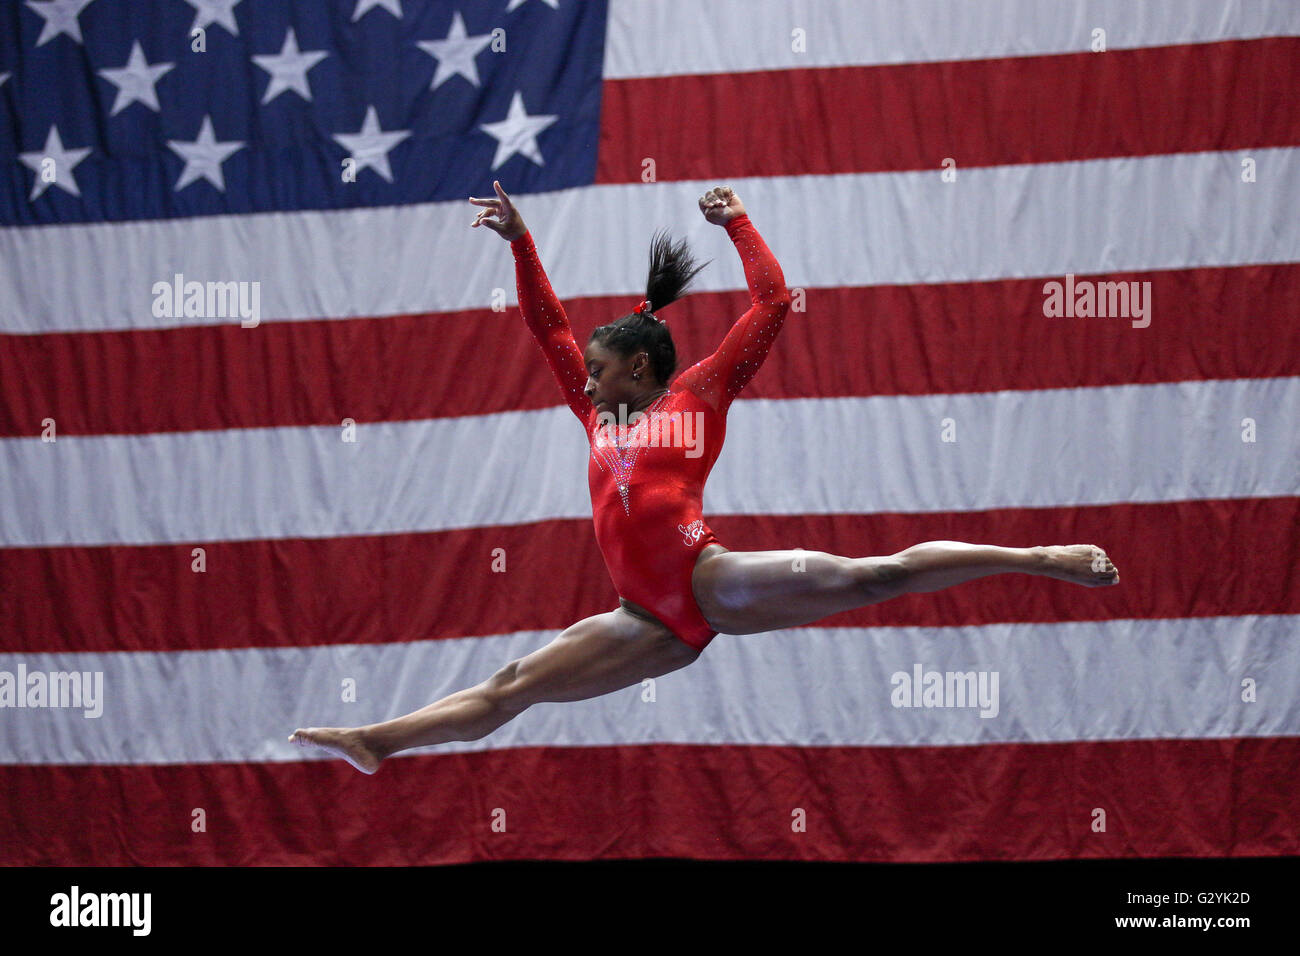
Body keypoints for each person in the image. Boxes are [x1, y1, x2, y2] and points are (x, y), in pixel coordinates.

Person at [290, 181, 1119, 774]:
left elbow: (771, 304)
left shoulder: (697, 396)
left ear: (642, 368)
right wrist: (523, 244)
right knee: (511, 686)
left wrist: (739, 222)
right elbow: (549, 331)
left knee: (877, 575)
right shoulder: (597, 419)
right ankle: (379, 739)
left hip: (708, 581)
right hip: (644, 620)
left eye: (602, 371)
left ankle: (1041, 556)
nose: (585, 381)